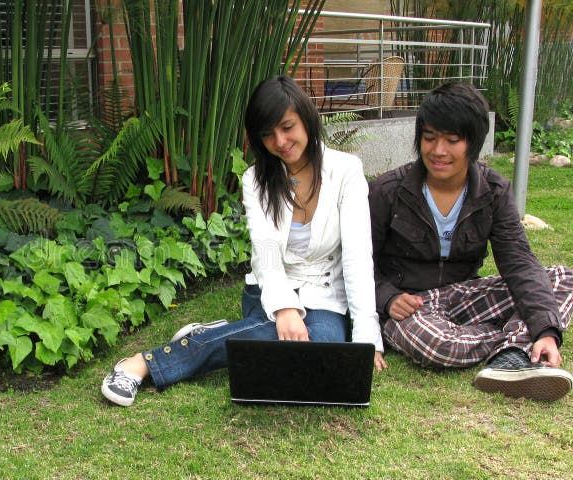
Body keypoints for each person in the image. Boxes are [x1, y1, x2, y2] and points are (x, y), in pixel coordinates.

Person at [101, 76, 387, 407]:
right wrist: (284, 308)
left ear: (307, 118)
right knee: (280, 335)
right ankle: (144, 363)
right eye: (268, 134)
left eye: (287, 127)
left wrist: (368, 338)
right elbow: (266, 253)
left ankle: (217, 334)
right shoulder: (256, 179)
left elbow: (357, 255)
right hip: (268, 289)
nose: (280, 141)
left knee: (320, 348)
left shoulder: (346, 170)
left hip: (323, 293)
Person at [368, 82, 573, 401]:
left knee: (563, 277)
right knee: (436, 344)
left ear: (473, 143)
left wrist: (546, 331)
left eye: (453, 140)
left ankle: (513, 354)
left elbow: (518, 262)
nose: (438, 151)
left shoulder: (493, 191)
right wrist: (387, 298)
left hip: (463, 297)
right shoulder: (388, 191)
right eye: (430, 137)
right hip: (409, 307)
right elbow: (356, 262)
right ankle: (515, 341)